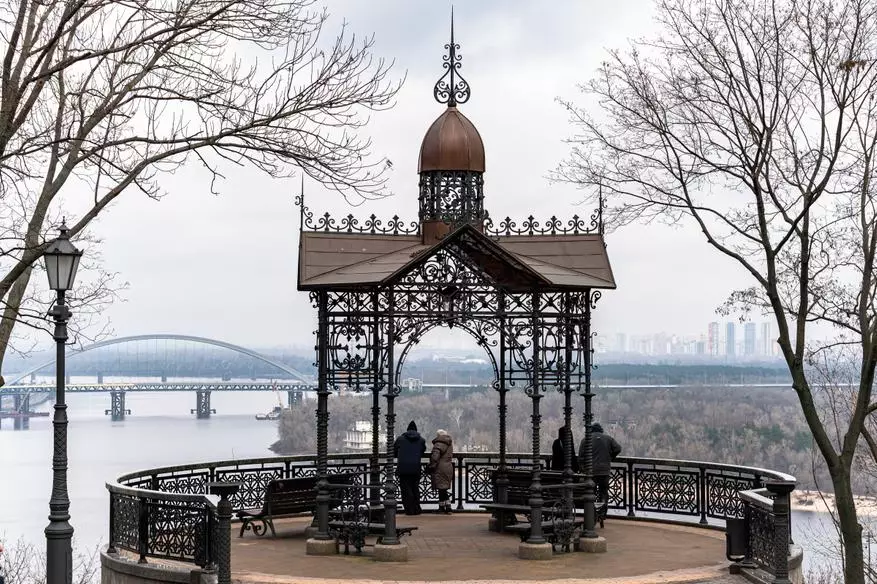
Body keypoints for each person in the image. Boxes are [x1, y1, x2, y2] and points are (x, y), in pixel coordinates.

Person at [578, 423, 621, 504]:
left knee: (591, 492)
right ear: (601, 430)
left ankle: (592, 512)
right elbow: (618, 448)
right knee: (604, 492)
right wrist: (611, 457)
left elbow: (580, 457)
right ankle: (603, 511)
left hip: (591, 471)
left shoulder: (585, 440)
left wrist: (582, 469)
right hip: (604, 471)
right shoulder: (608, 439)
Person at [394, 420, 427, 515]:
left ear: (407, 430)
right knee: (415, 488)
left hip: (403, 468)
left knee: (405, 489)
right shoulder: (421, 440)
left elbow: (394, 451)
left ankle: (409, 509)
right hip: (415, 468)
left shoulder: (400, 439)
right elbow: (422, 451)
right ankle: (417, 509)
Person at [427, 429, 454, 514]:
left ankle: (446, 508)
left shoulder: (439, 444)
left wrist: (431, 466)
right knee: (443, 489)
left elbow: (435, 456)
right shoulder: (449, 443)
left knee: (441, 488)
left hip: (440, 468)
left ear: (438, 435)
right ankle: (444, 507)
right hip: (448, 467)